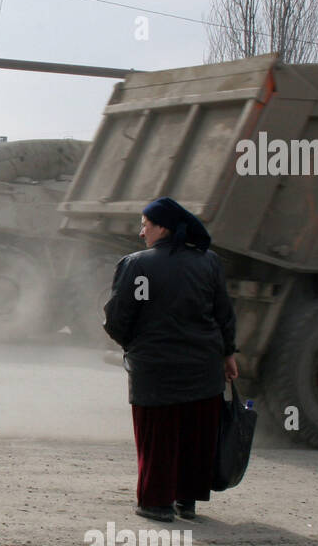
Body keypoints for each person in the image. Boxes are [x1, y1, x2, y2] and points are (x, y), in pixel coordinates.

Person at [102, 197, 238, 523]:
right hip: (204, 369)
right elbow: (224, 315)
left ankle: (156, 502)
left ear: (162, 227)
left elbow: (118, 318)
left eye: (145, 225)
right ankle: (186, 501)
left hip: (155, 370)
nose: (141, 232)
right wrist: (228, 353)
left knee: (158, 437)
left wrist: (136, 347)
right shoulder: (209, 263)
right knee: (196, 435)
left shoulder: (137, 265)